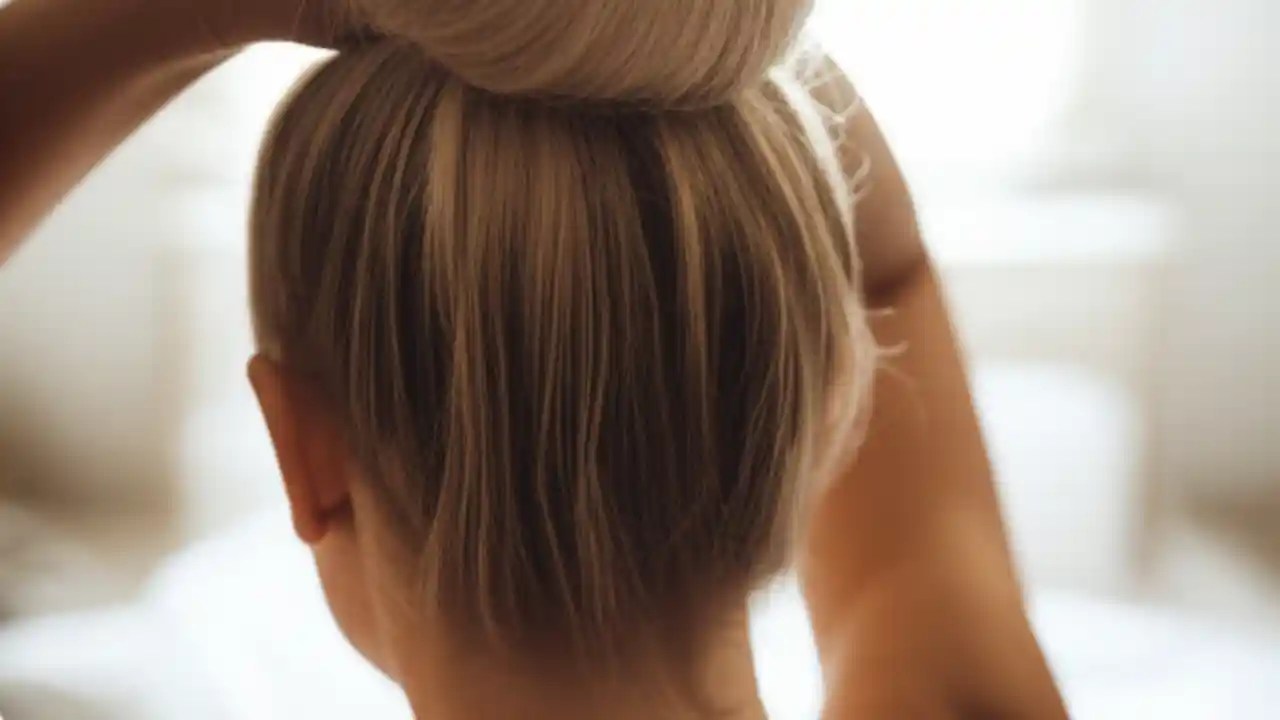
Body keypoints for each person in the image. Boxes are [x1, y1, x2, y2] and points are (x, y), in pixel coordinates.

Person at [0, 1, 1068, 718]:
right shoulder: (951, 695)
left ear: (303, 448)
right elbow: (887, 271)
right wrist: (643, 30)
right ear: (835, 396)